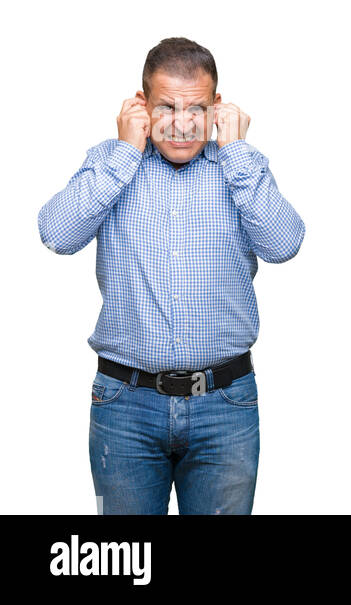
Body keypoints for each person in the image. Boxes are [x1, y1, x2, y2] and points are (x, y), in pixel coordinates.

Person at [38, 37, 305, 515]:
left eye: (196, 108)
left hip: (225, 406)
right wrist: (124, 151)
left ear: (218, 107)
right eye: (167, 107)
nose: (182, 125)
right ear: (140, 104)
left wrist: (238, 150)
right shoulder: (110, 161)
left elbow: (284, 245)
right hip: (125, 405)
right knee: (129, 562)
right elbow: (56, 234)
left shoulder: (240, 166)